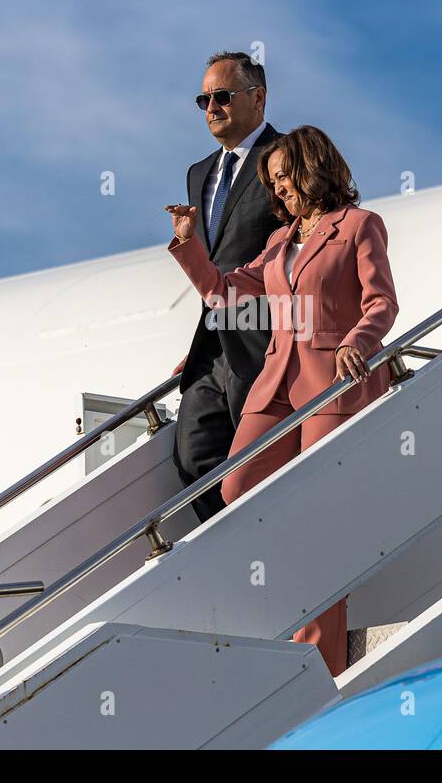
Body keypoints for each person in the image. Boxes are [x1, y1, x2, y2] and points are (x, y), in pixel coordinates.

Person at [164, 125, 399, 676]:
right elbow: (224, 295)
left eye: (284, 177)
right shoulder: (278, 243)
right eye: (272, 182)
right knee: (237, 484)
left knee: (319, 509)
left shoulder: (360, 226)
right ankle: (290, 592)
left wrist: (356, 342)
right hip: (277, 382)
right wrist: (188, 243)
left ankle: (318, 648)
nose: (280, 190)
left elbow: (382, 302)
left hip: (332, 379)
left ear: (313, 168)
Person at [172, 52, 285, 524]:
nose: (211, 107)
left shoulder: (286, 155)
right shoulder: (199, 172)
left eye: (222, 96)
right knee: (195, 452)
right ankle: (234, 547)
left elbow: (303, 237)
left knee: (262, 458)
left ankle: (267, 552)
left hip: (265, 334)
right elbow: (212, 259)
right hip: (214, 336)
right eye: (204, 99)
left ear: (257, 98)